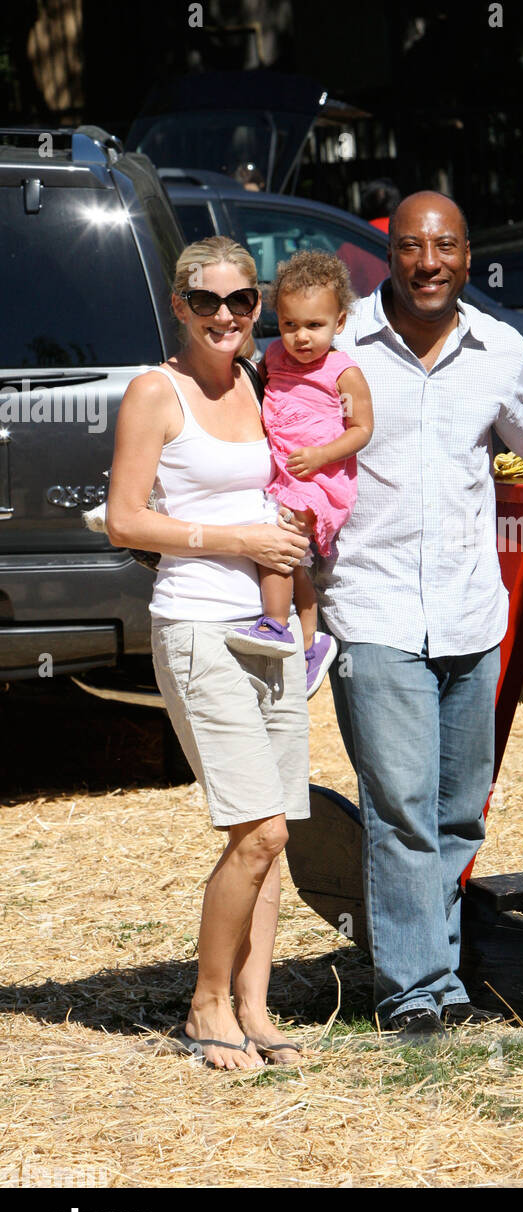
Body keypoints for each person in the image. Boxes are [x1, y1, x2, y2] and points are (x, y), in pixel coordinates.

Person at [319, 191, 523, 1035]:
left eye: (446, 247)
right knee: (402, 809)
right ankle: (414, 990)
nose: (429, 263)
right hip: (373, 608)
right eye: (412, 247)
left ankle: (441, 969)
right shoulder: (339, 345)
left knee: (458, 812)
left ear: (466, 255)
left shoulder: (499, 348)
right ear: (389, 252)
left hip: (469, 613)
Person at [106, 236, 312, 1071]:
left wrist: (291, 537)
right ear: (179, 306)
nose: (225, 315)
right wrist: (239, 541)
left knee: (278, 833)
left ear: (258, 304)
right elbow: (124, 520)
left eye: (241, 300)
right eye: (206, 301)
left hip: (268, 630)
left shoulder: (259, 380)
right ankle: (205, 1004)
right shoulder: (155, 391)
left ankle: (253, 1008)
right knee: (257, 829)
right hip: (196, 627)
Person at [226, 251, 374, 702]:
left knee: (278, 545)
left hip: (318, 482)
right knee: (296, 562)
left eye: (314, 325)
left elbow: (362, 429)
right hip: (281, 474)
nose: (301, 337)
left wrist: (320, 455)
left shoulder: (343, 372)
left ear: (339, 322)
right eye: (290, 325)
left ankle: (276, 624)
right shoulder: (274, 355)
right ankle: (311, 643)